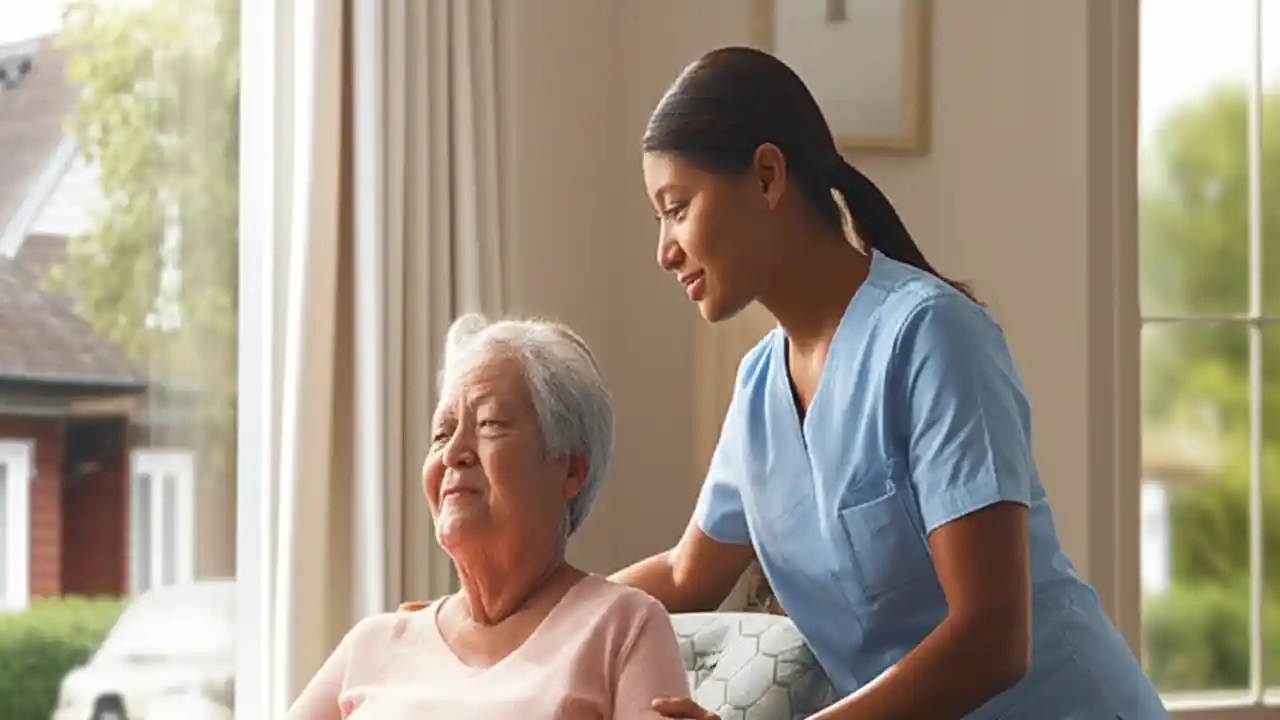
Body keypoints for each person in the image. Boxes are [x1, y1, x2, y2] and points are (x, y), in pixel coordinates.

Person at [613, 47, 1168, 719]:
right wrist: (512, 618)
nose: (663, 251)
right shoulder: (760, 386)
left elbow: (993, 638)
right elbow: (684, 575)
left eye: (677, 208)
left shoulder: (932, 336)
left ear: (766, 177)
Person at [286, 315, 690, 719]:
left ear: (570, 471)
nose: (453, 453)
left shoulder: (622, 628)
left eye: (489, 424)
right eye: (442, 434)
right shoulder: (373, 644)